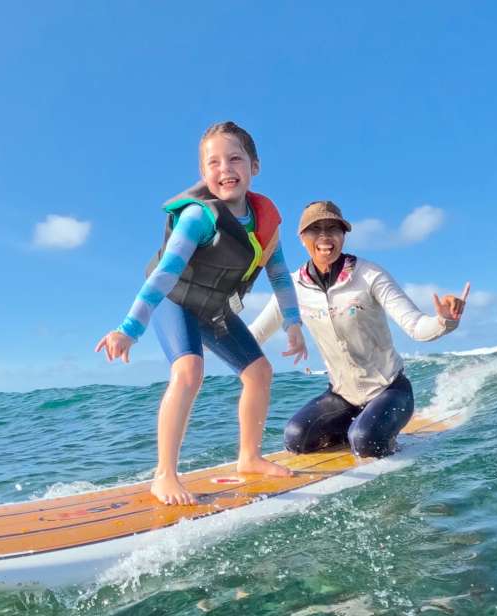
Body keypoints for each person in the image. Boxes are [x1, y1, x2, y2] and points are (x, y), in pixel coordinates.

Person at [96, 121, 308, 505]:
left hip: (213, 308)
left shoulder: (266, 224)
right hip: (175, 300)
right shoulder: (198, 217)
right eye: (214, 162)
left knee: (260, 373)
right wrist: (129, 329)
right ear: (203, 172)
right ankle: (164, 475)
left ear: (254, 166)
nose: (225, 169)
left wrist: (293, 323)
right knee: (189, 371)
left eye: (235, 159)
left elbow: (279, 275)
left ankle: (249, 457)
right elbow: (164, 275)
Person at [250, 200, 469, 457]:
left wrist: (444, 320)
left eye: (333, 228)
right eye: (315, 229)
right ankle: (359, 428)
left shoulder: (370, 275)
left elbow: (416, 327)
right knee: (296, 438)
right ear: (301, 237)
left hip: (390, 390)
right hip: (342, 397)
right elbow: (255, 334)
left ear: (343, 235)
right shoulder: (292, 287)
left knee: (365, 441)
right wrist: (213, 334)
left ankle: (370, 433)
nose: (324, 236)